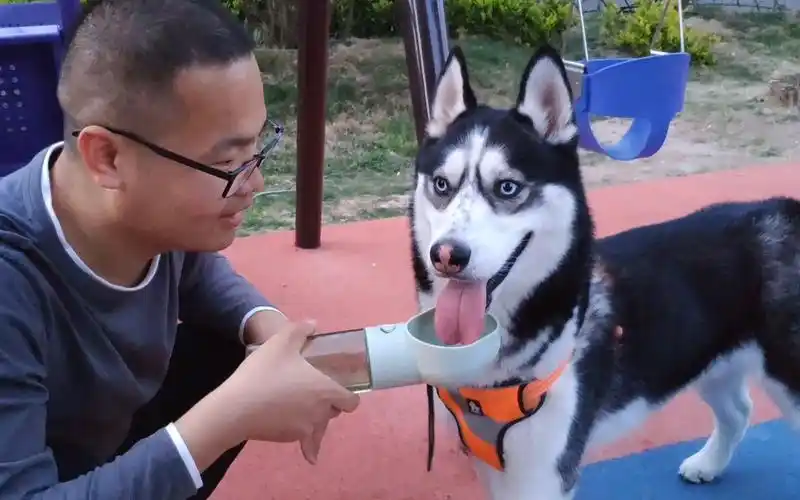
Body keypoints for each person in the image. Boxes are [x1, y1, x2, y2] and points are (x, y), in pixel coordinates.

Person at [0, 0, 361, 498]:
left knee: (241, 349)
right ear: (106, 157)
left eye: (257, 147)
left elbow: (195, 272)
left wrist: (269, 326)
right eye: (229, 160)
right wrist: (230, 415)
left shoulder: (143, 215)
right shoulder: (11, 280)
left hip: (103, 439)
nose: (254, 182)